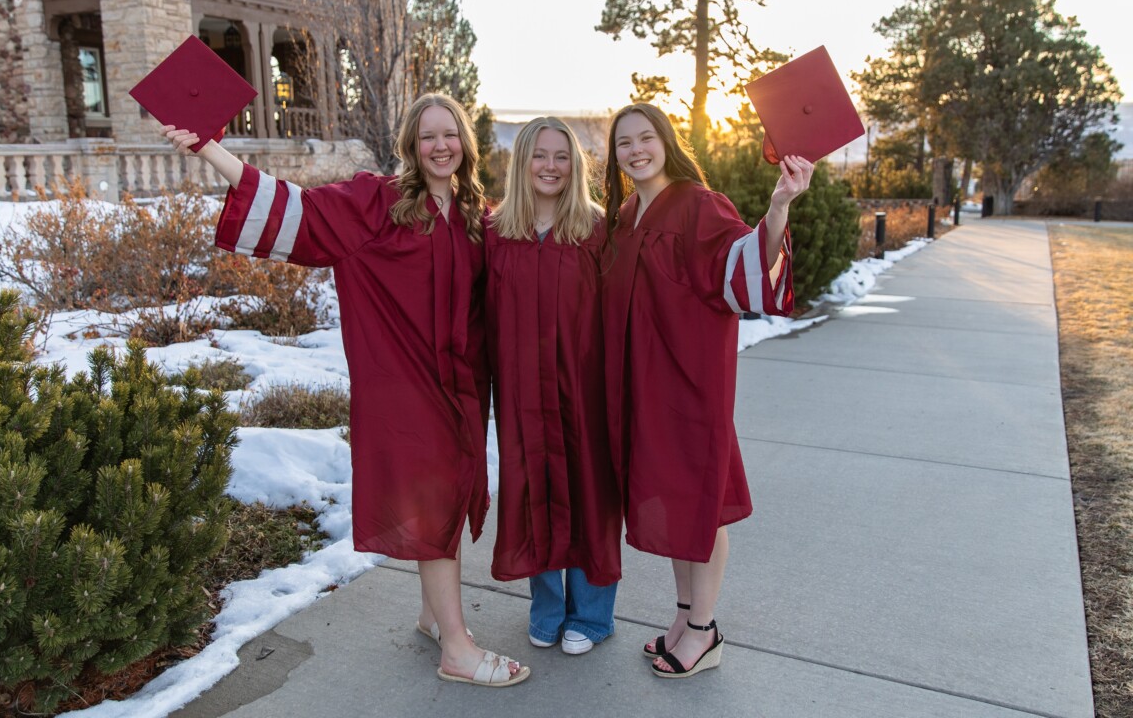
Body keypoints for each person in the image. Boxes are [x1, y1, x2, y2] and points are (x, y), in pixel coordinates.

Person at [161, 92, 529, 687]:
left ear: (466, 142)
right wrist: (211, 150)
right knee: (434, 500)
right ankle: (457, 651)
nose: (440, 146)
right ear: (411, 144)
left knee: (452, 492)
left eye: (450, 134)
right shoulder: (378, 201)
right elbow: (296, 210)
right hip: (404, 384)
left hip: (460, 387)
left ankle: (437, 615)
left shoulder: (472, 212)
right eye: (428, 135)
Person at [600, 103, 812, 678]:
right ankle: (683, 617)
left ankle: (704, 630)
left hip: (689, 383)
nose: (635, 150)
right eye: (624, 143)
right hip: (643, 384)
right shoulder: (625, 214)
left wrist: (778, 205)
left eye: (645, 138)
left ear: (667, 142)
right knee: (673, 499)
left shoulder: (698, 205)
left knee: (701, 505)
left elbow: (742, 269)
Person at [484, 117, 622, 656]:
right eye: (539, 155)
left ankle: (591, 614)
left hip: (582, 390)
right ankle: (545, 608)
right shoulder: (496, 233)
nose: (550, 166)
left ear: (576, 165)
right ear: (521, 162)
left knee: (589, 492)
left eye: (561, 156)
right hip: (520, 394)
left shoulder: (595, 228)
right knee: (530, 492)